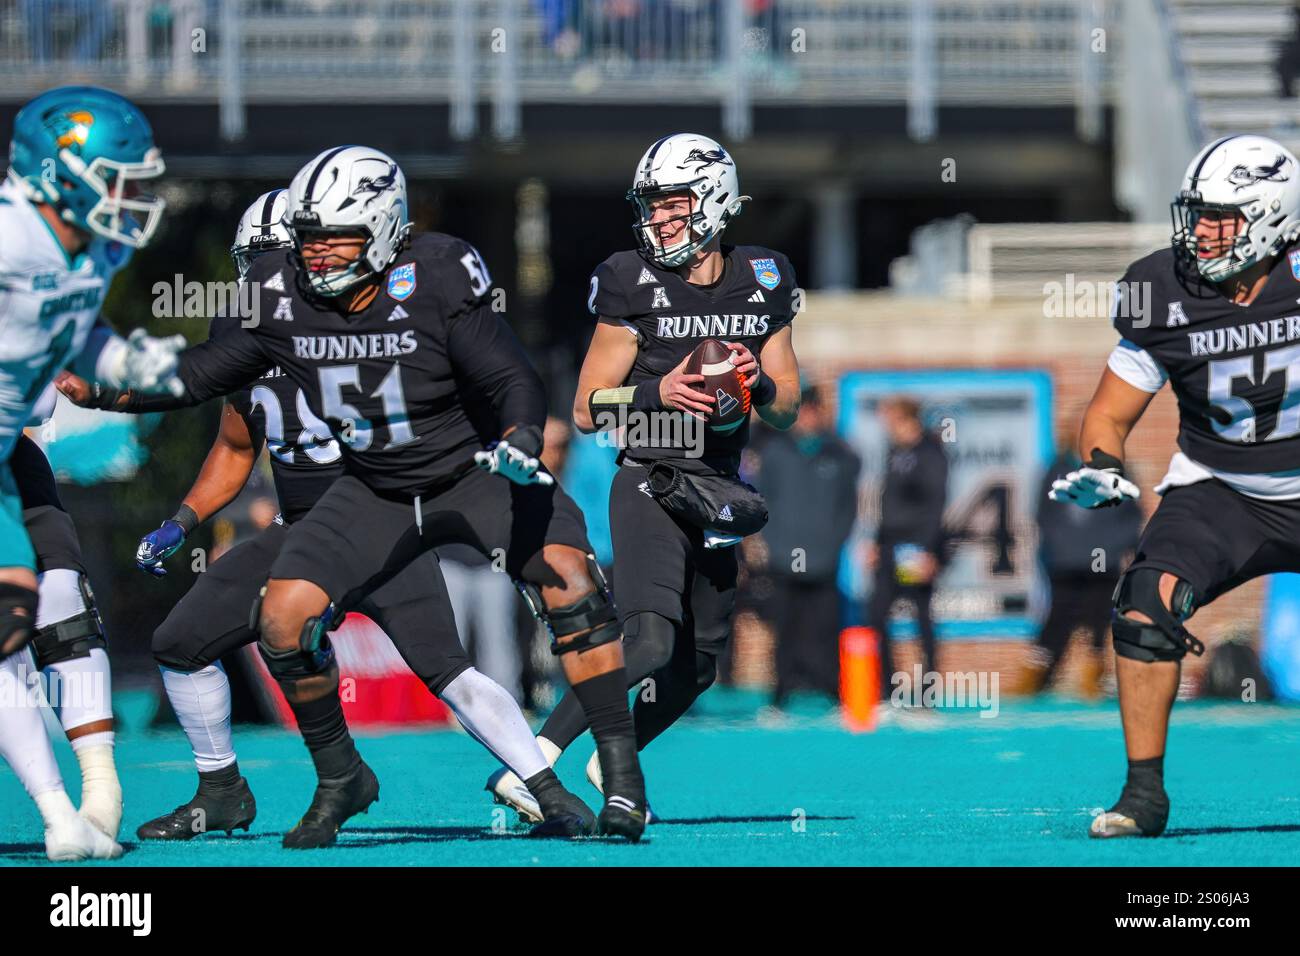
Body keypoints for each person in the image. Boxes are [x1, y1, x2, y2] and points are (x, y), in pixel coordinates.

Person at [62, 189, 596, 845]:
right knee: (180, 641)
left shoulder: (367, 325)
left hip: (380, 521)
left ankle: (545, 789)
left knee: (447, 670)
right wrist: (181, 521)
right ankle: (223, 790)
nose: (259, 281)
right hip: (300, 533)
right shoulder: (242, 336)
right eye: (251, 264)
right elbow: (235, 448)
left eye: (270, 262)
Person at [487, 132, 802, 818]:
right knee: (650, 638)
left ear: (714, 200)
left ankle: (609, 760)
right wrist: (662, 392)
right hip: (651, 477)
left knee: (699, 663)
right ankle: (532, 761)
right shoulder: (632, 279)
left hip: (719, 486)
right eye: (652, 207)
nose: (658, 220)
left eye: (673, 205)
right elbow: (587, 406)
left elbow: (788, 403)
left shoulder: (766, 276)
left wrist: (760, 386)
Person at [1052, 134, 1300, 838]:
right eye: (1196, 214)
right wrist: (1101, 465)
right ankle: (1143, 796)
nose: (1200, 232)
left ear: (1274, 217)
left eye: (1220, 217)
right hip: (1224, 492)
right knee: (1142, 610)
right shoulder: (1162, 288)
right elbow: (1107, 411)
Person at [0, 86, 186, 860]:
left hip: (9, 454)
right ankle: (55, 815)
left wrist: (123, 360)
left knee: (37, 614)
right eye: (116, 177)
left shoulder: (93, 247)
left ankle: (76, 810)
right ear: (58, 174)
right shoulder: (9, 239)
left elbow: (79, 334)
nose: (132, 198)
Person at [1014, 411, 1141, 698]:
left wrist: (1116, 548)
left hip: (1103, 563)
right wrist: (1059, 547)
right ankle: (1038, 676)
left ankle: (1092, 677)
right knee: (1058, 618)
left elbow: (1130, 516)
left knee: (1098, 619)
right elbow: (1044, 515)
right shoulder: (1057, 468)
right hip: (1064, 563)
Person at [755, 384, 861, 706]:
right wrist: (772, 544)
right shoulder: (775, 452)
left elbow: (849, 507)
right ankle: (783, 690)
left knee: (825, 627)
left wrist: (834, 543)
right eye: (803, 409)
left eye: (813, 408)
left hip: (824, 559)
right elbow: (762, 502)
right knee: (785, 625)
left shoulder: (840, 454)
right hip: (784, 559)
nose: (808, 416)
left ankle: (829, 687)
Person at [866, 396, 948, 692]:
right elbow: (887, 502)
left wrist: (927, 550)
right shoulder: (893, 452)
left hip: (915, 547)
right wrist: (876, 542)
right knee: (876, 614)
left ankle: (927, 688)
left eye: (892, 418)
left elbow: (935, 504)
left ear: (907, 419)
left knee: (920, 617)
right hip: (890, 543)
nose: (887, 426)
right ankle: (888, 688)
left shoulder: (930, 452)